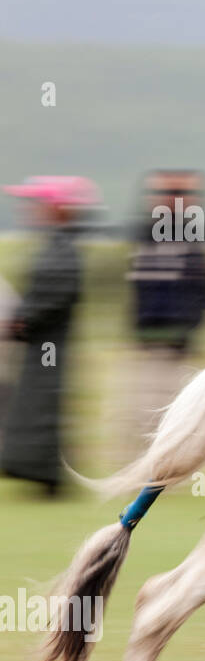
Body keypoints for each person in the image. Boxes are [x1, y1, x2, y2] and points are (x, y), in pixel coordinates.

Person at [1, 176, 98, 496]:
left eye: (37, 204)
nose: (30, 211)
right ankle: (37, 469)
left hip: (48, 345)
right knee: (37, 400)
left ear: (55, 209)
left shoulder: (61, 250)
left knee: (43, 399)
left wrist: (21, 320)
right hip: (45, 342)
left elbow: (55, 291)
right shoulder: (57, 245)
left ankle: (46, 474)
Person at [120, 169, 205, 459]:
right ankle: (149, 467)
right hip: (149, 339)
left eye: (180, 194)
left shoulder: (194, 237)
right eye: (164, 194)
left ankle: (165, 468)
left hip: (178, 340)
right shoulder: (146, 235)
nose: (171, 200)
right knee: (145, 408)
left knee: (173, 407)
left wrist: (190, 327)